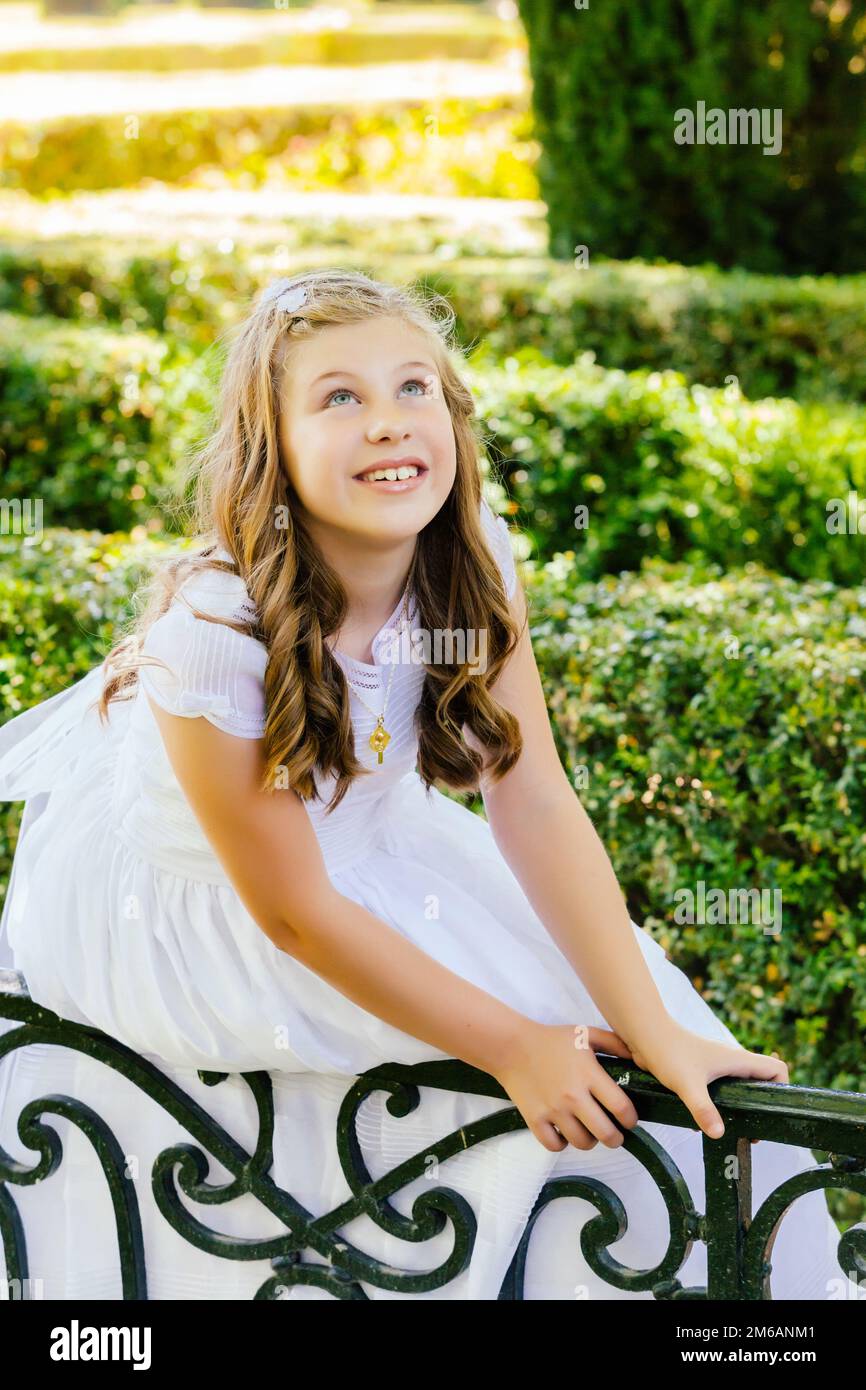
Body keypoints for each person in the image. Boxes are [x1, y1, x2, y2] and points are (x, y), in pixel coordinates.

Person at [0, 270, 851, 1301]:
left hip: (375, 839)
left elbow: (529, 799)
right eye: (339, 397)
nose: (388, 423)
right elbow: (294, 914)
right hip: (208, 906)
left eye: (415, 388)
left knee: (641, 1044)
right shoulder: (216, 638)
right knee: (507, 1065)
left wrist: (654, 1019)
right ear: (270, 443)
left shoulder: (472, 559)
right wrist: (515, 1047)